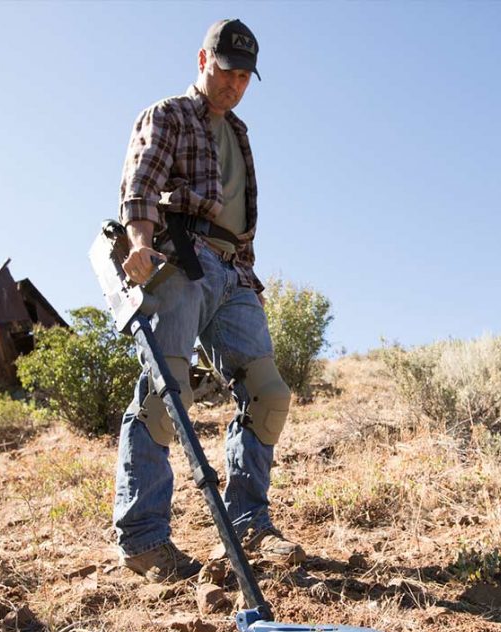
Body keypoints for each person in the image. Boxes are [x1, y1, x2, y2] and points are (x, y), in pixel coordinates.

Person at [114, 18, 305, 583]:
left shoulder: (240, 133)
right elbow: (140, 185)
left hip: (234, 272)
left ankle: (249, 524)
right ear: (203, 61)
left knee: (268, 395)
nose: (234, 84)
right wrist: (140, 244)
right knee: (165, 395)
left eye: (245, 77)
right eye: (227, 71)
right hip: (181, 258)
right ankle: (144, 539)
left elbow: (240, 217)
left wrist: (248, 282)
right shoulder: (169, 114)